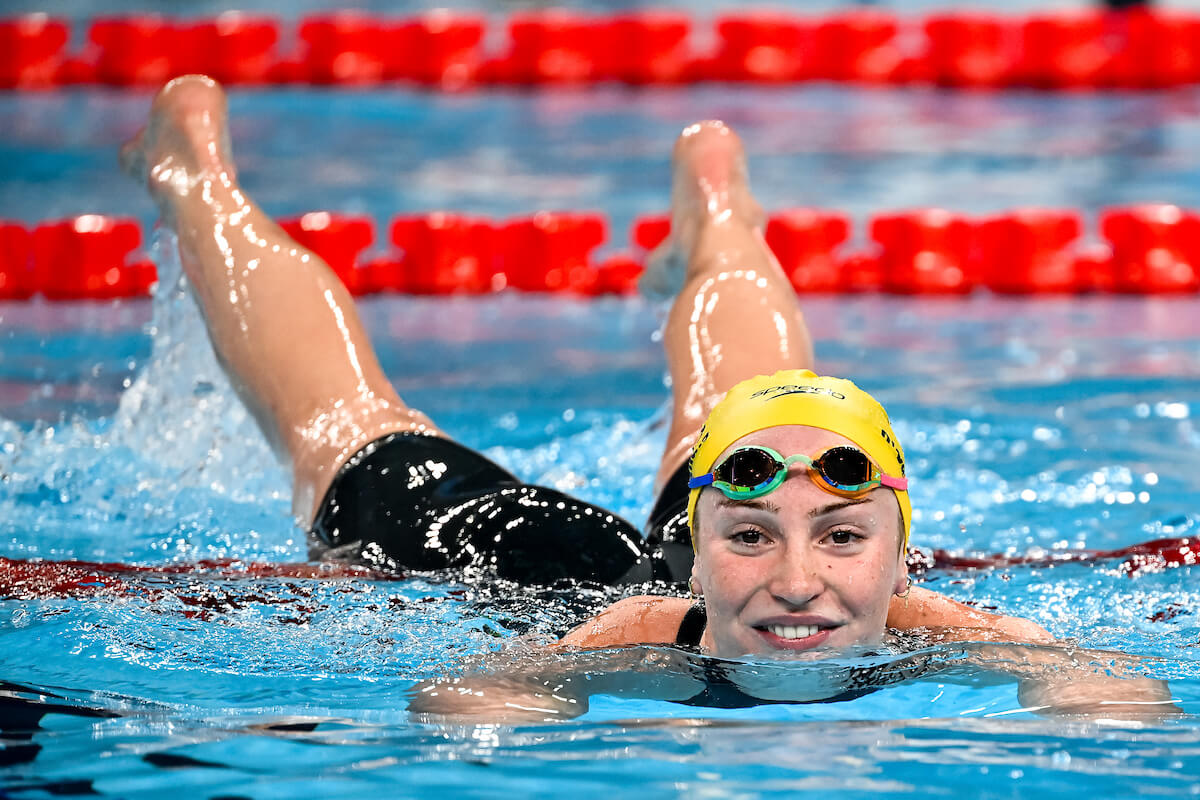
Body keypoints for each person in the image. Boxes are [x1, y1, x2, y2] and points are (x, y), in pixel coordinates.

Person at [120, 75, 1175, 719]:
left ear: (903, 555)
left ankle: (719, 201)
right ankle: (195, 176)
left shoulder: (920, 612)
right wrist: (592, 682)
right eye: (755, 532)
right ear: (705, 530)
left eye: (843, 537)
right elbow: (463, 702)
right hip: (517, 566)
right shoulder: (642, 624)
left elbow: (1119, 697)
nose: (801, 582)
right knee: (345, 425)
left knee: (733, 399)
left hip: (705, 577)